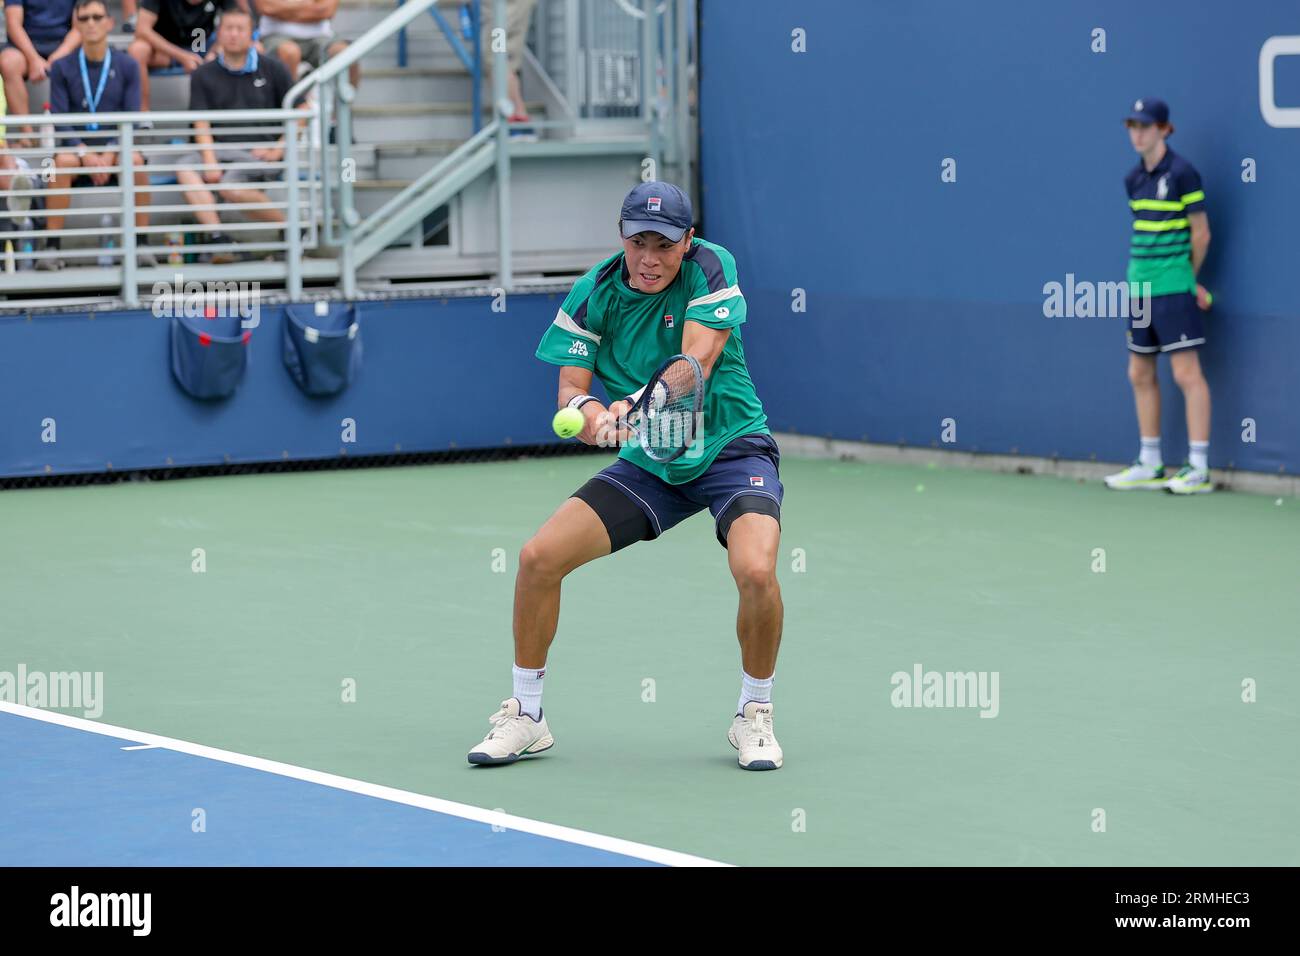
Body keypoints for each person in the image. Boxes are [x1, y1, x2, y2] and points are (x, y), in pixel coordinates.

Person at [466, 181, 787, 771]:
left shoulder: (712, 268)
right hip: (652, 463)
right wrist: (590, 417)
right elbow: (571, 392)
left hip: (730, 449)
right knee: (539, 557)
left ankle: (754, 713)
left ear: (687, 243)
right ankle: (528, 716)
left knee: (756, 569)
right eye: (638, 241)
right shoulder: (594, 293)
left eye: (663, 245)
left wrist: (635, 405)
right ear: (621, 237)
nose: (648, 258)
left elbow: (695, 363)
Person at [1105, 98, 1213, 494]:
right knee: (1139, 372)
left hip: (1173, 288)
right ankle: (1150, 462)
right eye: (1132, 126)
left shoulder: (1184, 173)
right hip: (1139, 287)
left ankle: (1198, 467)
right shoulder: (1132, 179)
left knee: (1186, 374)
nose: (1137, 133)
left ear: (1165, 130)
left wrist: (1188, 278)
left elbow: (1200, 233)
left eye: (1145, 126)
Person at [170, 5, 292, 263]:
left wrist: (278, 149)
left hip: (259, 155)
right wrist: (210, 159)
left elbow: (301, 112)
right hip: (220, 151)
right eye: (228, 29)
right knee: (184, 168)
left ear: (252, 34)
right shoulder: (203, 74)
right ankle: (218, 239)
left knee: (229, 186)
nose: (234, 34)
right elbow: (200, 122)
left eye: (240, 29)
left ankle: (292, 230)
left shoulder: (274, 68)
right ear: (218, 33)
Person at [42, 0, 155, 271]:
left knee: (136, 162)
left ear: (109, 22)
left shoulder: (127, 64)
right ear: (76, 25)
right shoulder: (62, 66)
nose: (91, 23)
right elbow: (59, 118)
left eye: (96, 17)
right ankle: (51, 247)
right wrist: (85, 152)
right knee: (59, 165)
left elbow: (131, 116)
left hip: (114, 147)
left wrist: (109, 152)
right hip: (77, 149)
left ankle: (141, 244)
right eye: (84, 18)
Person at [127, 0, 246, 110]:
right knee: (138, 50)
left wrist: (215, 51)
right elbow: (141, 30)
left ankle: (237, 113)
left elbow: (239, 20)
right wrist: (183, 56)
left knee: (254, 48)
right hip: (165, 50)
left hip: (203, 46)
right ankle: (142, 117)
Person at [0, 0, 79, 144]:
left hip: (65, 47)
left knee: (90, 57)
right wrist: (34, 58)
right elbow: (13, 24)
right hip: (25, 48)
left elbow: (81, 25)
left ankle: (80, 138)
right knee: (8, 62)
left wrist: (57, 57)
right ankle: (27, 135)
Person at [257, 0, 358, 89]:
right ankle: (291, 106)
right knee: (290, 52)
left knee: (345, 54)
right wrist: (307, 5)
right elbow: (267, 8)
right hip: (275, 36)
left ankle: (341, 110)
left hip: (319, 37)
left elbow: (326, 10)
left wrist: (284, 9)